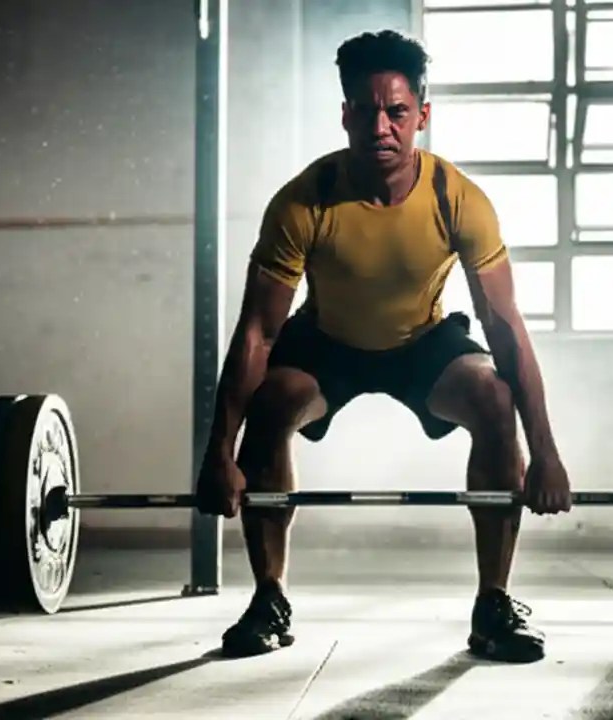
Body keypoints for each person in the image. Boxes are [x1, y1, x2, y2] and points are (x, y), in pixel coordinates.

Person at [196, 29, 571, 664]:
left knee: (491, 394)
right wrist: (217, 454)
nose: (382, 126)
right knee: (272, 402)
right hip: (328, 343)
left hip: (422, 342)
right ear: (344, 114)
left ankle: (493, 604)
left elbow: (505, 329)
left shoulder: (458, 199)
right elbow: (258, 332)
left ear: (422, 115)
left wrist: (547, 454)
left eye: (398, 111)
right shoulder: (301, 203)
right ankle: (269, 597)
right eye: (366, 111)